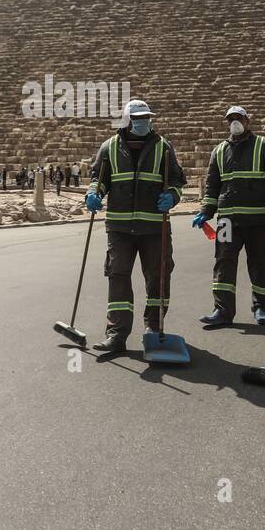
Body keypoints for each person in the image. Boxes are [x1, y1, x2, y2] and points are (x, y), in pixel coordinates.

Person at [85, 99, 186, 352]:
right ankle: (117, 334)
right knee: (117, 277)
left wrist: (172, 196)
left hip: (154, 227)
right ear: (128, 119)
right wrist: (93, 193)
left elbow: (176, 179)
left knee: (158, 278)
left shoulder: (164, 147)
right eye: (138, 118)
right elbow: (98, 178)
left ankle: (154, 328)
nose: (144, 122)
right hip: (119, 229)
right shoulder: (109, 148)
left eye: (147, 117)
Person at [194, 106, 265, 327]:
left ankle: (261, 307)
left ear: (247, 119)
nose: (235, 122)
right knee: (223, 262)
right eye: (230, 119)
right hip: (227, 220)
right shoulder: (219, 151)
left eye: (238, 118)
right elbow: (212, 186)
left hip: (260, 219)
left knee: (263, 262)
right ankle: (222, 311)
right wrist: (205, 212)